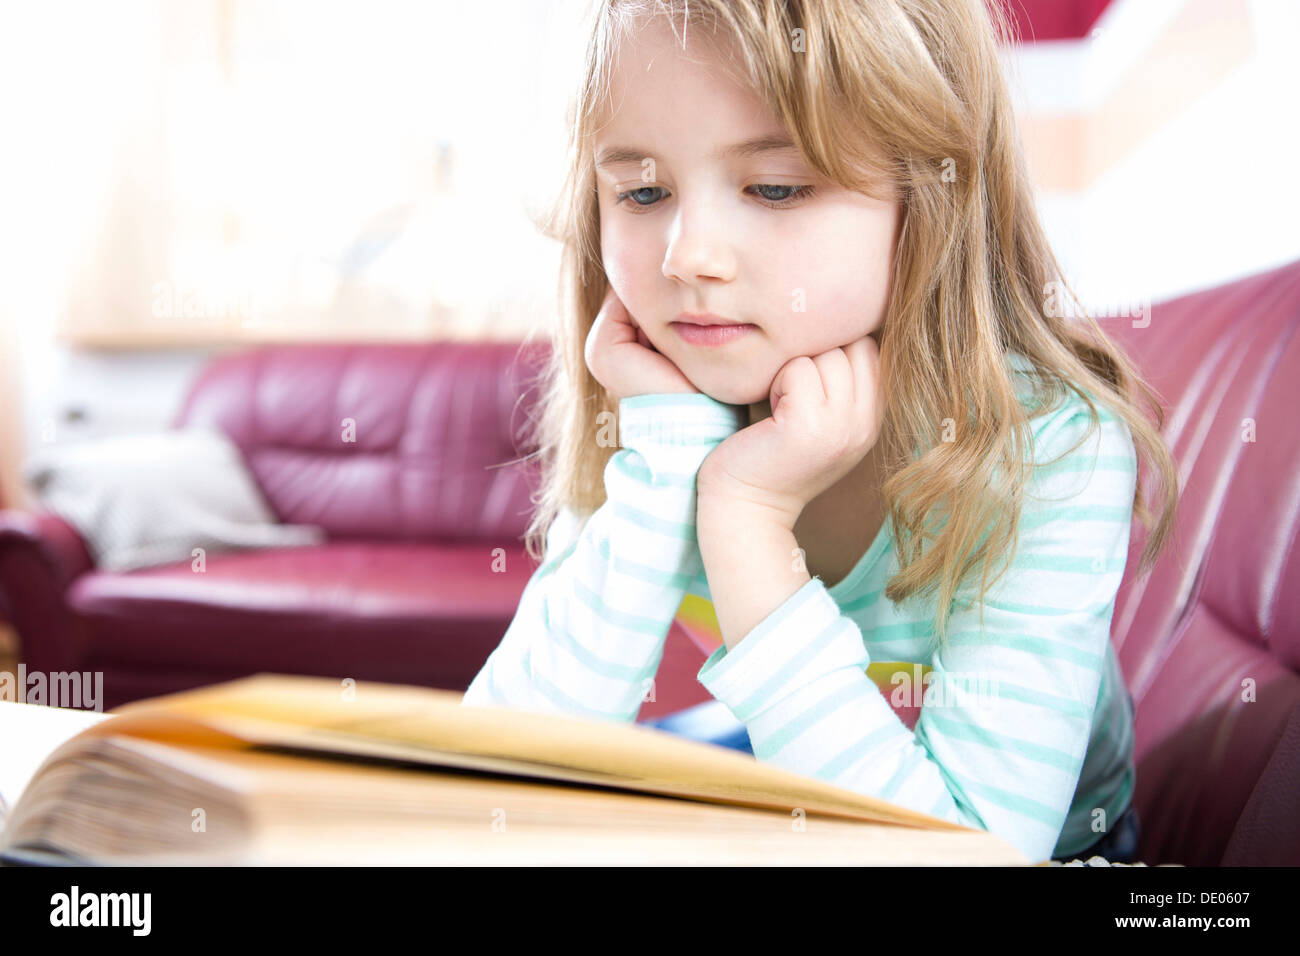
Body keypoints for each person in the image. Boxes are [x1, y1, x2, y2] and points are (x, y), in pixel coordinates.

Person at [463, 0, 1178, 865]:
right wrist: (670, 471)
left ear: (933, 199)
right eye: (643, 191)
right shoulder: (660, 411)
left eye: (776, 187)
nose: (688, 256)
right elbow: (491, 795)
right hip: (793, 794)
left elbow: (968, 859)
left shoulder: (1050, 447)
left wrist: (749, 523)